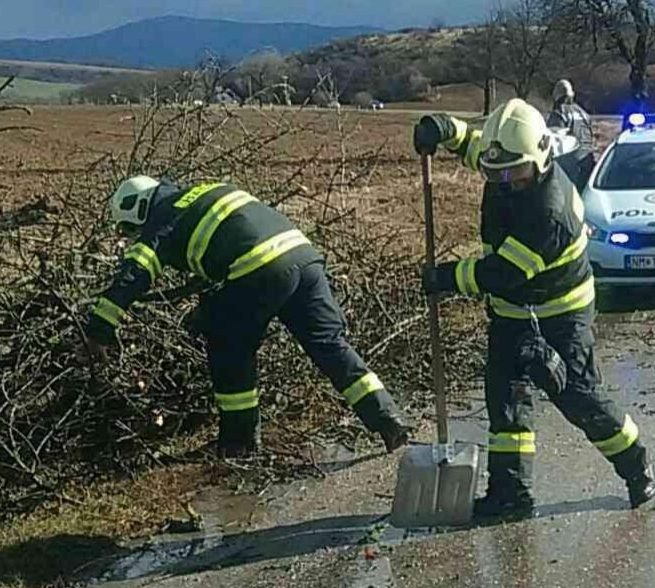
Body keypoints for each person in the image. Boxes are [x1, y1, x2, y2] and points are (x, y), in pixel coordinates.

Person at [413, 99, 655, 521]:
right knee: (505, 399)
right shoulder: (508, 161)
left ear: (541, 156)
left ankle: (635, 462)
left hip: (562, 313)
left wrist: (447, 277)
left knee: (578, 398)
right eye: (495, 173)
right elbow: (471, 144)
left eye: (513, 173)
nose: (504, 182)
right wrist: (441, 126)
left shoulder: (550, 210)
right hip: (511, 312)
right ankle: (511, 493)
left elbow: (505, 272)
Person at [84, 176, 412, 457]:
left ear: (139, 207)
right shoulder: (207, 190)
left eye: (129, 228)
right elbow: (223, 248)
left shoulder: (162, 218)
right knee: (329, 344)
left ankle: (239, 444)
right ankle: (387, 418)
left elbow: (135, 274)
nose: (132, 236)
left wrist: (99, 328)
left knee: (229, 350)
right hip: (303, 255)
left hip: (258, 267)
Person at [546, 79, 597, 190]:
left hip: (569, 163)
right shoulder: (582, 112)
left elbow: (554, 139)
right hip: (588, 159)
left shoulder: (559, 113)